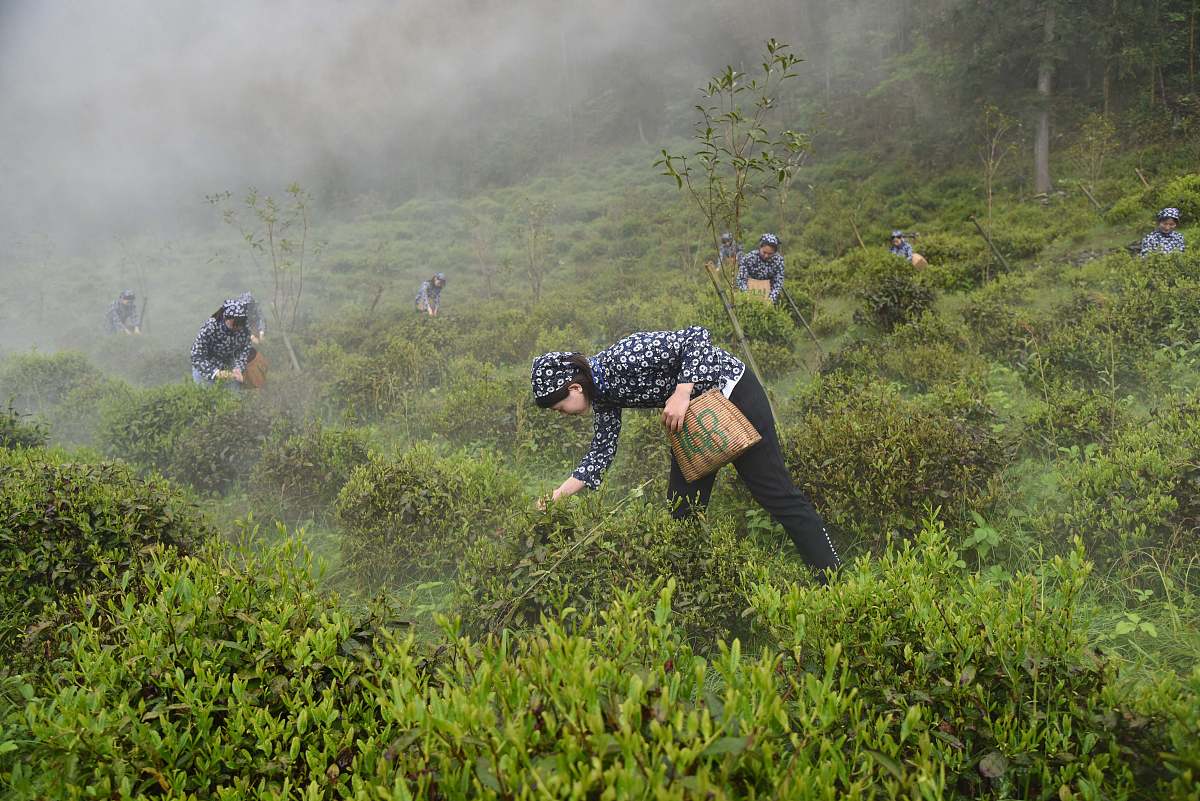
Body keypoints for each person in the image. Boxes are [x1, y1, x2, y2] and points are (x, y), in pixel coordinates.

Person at [530, 327, 841, 579]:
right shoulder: (604, 396)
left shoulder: (623, 356)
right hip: (695, 420)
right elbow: (600, 453)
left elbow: (696, 336)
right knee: (683, 509)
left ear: (574, 388)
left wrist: (681, 392)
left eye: (560, 408)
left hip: (733, 396)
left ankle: (831, 578)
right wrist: (557, 496)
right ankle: (697, 589)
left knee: (776, 494)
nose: (562, 414)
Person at [190, 297, 252, 388]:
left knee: (232, 395)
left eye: (241, 322)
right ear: (226, 318)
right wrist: (215, 373)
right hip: (206, 366)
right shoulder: (211, 326)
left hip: (228, 365)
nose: (238, 327)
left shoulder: (244, 329)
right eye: (235, 323)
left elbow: (244, 349)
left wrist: (238, 367)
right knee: (206, 394)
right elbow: (196, 354)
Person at [736, 234, 785, 304]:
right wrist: (746, 295)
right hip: (749, 290)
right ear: (760, 248)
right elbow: (741, 279)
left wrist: (771, 299)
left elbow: (778, 282)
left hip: (768, 292)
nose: (766, 256)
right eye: (764, 252)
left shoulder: (779, 261)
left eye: (770, 254)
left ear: (775, 252)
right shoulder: (749, 258)